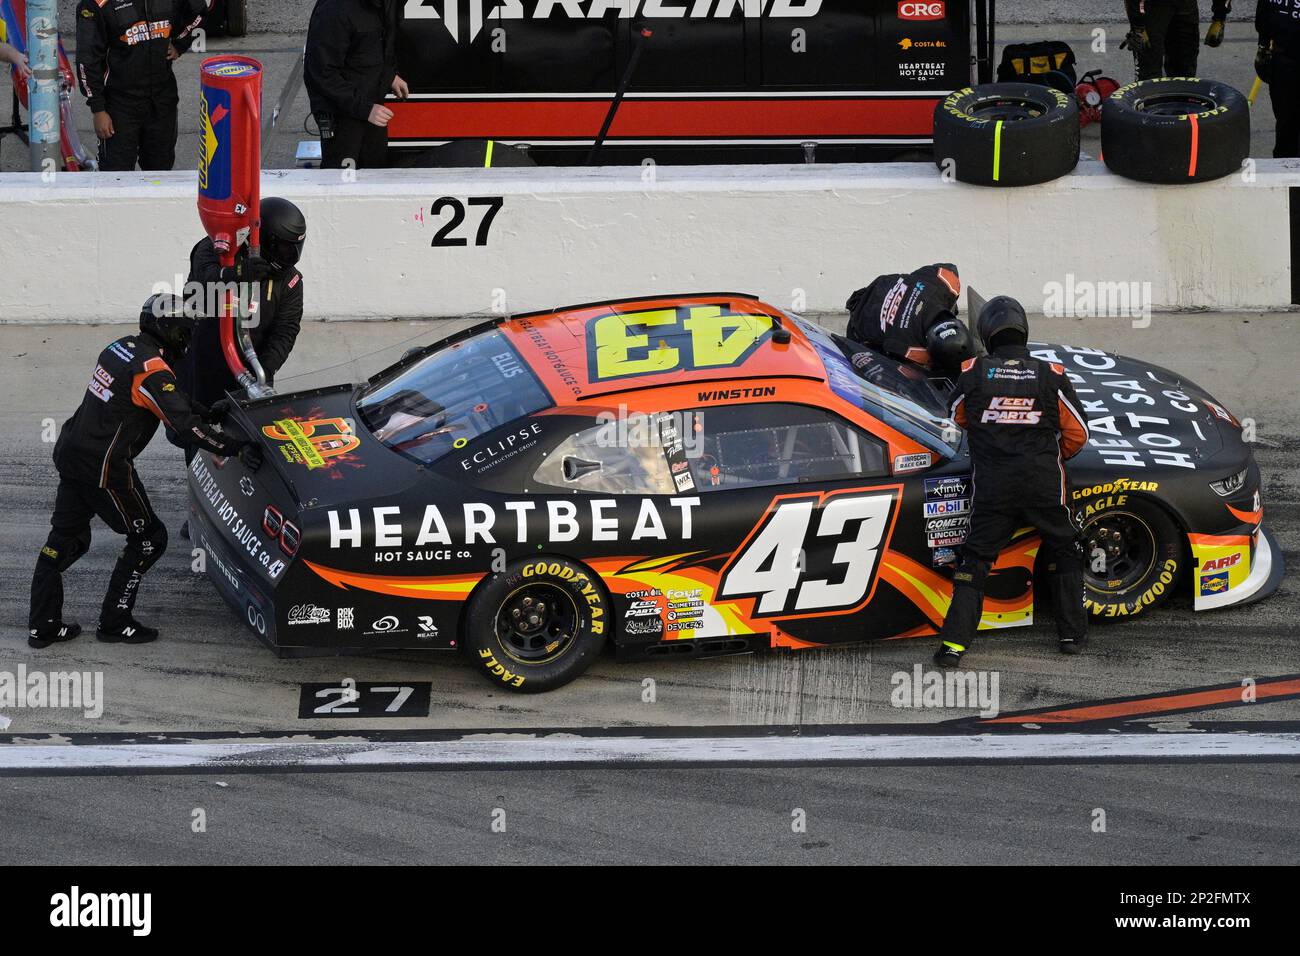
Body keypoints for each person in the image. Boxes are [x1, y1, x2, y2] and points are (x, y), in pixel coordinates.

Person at [28, 294, 258, 649]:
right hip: (105, 469)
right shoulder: (152, 370)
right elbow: (184, 427)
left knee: (61, 544)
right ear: (170, 330)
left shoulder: (120, 348)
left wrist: (205, 411)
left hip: (72, 452)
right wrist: (235, 447)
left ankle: (42, 626)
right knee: (150, 539)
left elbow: (168, 401)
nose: (187, 339)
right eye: (184, 332)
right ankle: (115, 622)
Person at [933, 296, 1091, 668]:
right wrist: (1052, 457)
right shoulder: (1051, 375)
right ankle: (1072, 636)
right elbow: (1079, 434)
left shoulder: (973, 372)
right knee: (1065, 548)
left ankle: (953, 647)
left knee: (974, 562)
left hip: (994, 491)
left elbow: (953, 419)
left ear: (987, 335)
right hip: (1043, 486)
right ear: (1024, 330)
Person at [179, 197, 307, 415]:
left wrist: (263, 371)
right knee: (200, 431)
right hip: (203, 363)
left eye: (295, 248)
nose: (291, 257)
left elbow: (285, 330)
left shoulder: (290, 281)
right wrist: (238, 273)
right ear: (266, 239)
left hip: (250, 372)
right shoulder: (216, 249)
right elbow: (203, 283)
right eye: (285, 249)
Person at [75, 0, 211, 171]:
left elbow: (199, 12)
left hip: (162, 100)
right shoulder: (96, 4)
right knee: (116, 173)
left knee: (160, 169)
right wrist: (98, 109)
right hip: (119, 106)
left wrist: (179, 44)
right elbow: (87, 60)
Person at [304, 0, 408, 170]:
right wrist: (365, 109)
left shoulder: (387, 3)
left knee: (375, 175)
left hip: (372, 107)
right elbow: (321, 73)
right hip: (341, 115)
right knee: (341, 184)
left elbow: (378, 44)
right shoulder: (334, 9)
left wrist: (389, 76)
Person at [844, 263, 974, 374]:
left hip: (882, 287)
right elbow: (898, 356)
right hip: (859, 326)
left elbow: (941, 269)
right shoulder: (913, 349)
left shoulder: (947, 281)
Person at [1123, 0, 1233, 81]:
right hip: (1151, 7)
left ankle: (1181, 108)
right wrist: (1137, 24)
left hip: (1185, 7)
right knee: (1148, 77)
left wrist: (1220, 16)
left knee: (1184, 73)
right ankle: (1146, 109)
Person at [1256, 0, 1300, 158]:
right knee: (1286, 125)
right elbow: (1265, 13)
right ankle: (1286, 175)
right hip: (1282, 59)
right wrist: (1263, 47)